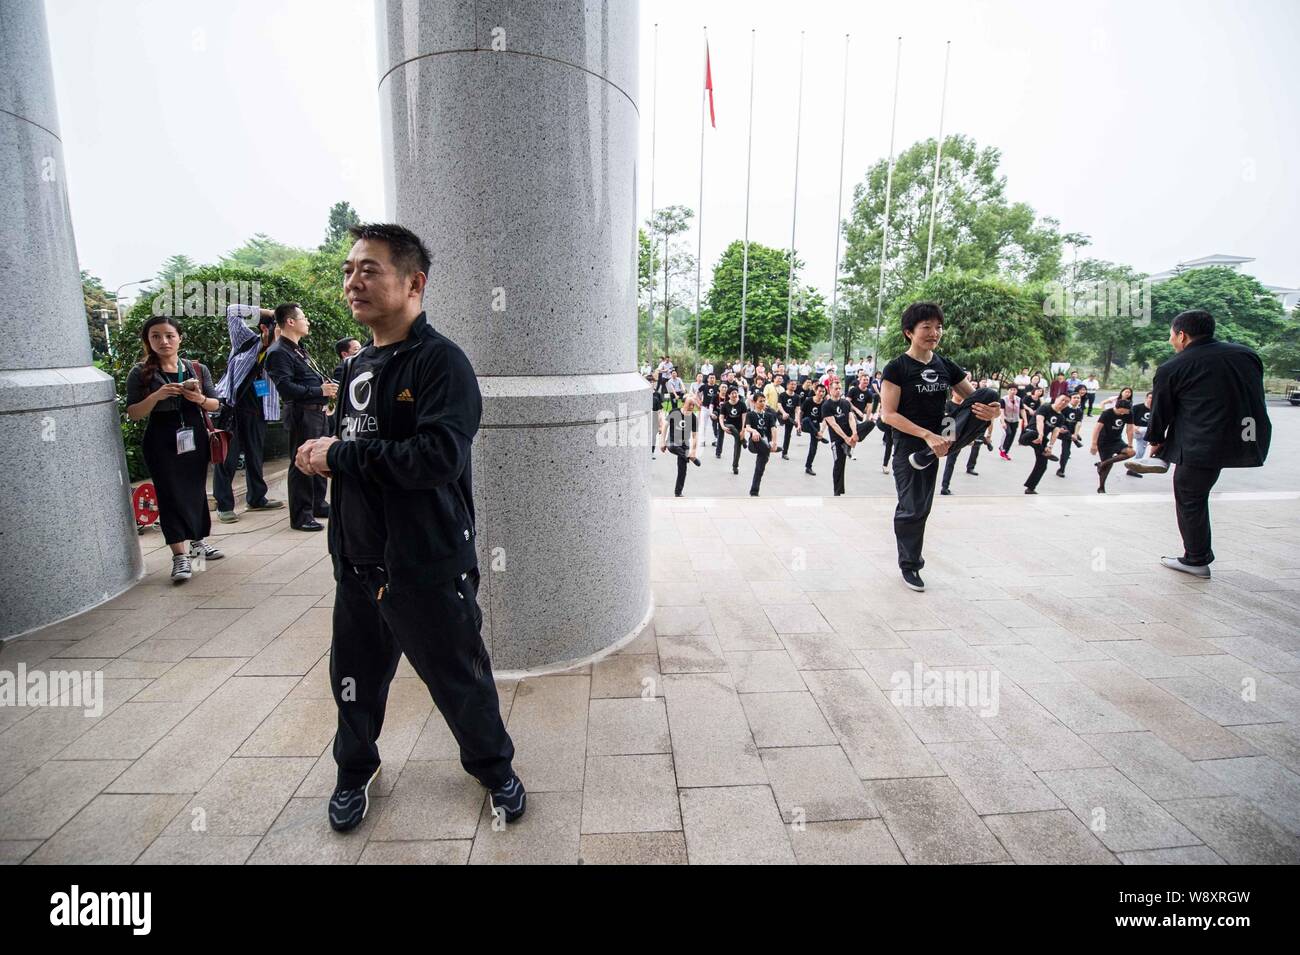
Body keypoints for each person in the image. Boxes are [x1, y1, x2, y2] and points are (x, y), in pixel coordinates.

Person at [294, 222, 523, 831]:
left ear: (414, 282)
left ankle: (494, 767)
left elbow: (437, 457)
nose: (352, 282)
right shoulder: (358, 365)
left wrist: (337, 456)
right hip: (359, 564)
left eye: (369, 269)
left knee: (461, 680)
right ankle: (354, 770)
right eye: (347, 270)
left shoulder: (442, 362)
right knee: (353, 682)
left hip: (426, 565)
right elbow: (359, 453)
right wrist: (327, 459)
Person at [1127, 309, 1271, 578]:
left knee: (1189, 493)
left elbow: (1161, 412)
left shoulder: (1173, 367)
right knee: (1196, 486)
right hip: (1248, 436)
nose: (1171, 341)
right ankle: (1196, 554)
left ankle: (1196, 559)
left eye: (1171, 335)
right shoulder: (1247, 355)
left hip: (1202, 443)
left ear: (1182, 335)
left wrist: (1156, 442)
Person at [879, 302, 1000, 591]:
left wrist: (992, 411)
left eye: (938, 327)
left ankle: (935, 450)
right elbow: (888, 415)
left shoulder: (944, 364)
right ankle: (910, 566)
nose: (934, 333)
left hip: (944, 434)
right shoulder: (897, 368)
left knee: (990, 392)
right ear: (909, 332)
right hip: (912, 445)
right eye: (927, 327)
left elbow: (973, 399)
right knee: (914, 509)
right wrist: (926, 437)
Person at [125, 316, 225, 582]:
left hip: (194, 436)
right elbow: (133, 413)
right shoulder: (141, 372)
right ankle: (179, 556)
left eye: (169, 335)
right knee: (169, 495)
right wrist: (157, 396)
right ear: (148, 340)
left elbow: (217, 404)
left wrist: (199, 398)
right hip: (161, 438)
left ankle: (198, 542)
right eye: (155, 336)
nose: (163, 341)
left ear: (179, 337)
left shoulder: (196, 368)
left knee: (195, 491)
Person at [266, 303, 337, 531]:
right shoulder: (278, 352)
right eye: (304, 317)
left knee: (318, 457)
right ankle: (301, 516)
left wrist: (326, 392)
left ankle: (318, 504)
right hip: (301, 414)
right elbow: (286, 388)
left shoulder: (298, 349)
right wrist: (320, 391)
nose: (307, 322)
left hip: (317, 412)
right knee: (303, 463)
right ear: (290, 321)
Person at [211, 304, 285, 523]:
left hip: (257, 412)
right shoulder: (245, 341)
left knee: (255, 456)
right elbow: (233, 310)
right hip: (232, 409)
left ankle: (257, 497)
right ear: (265, 329)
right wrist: (273, 313)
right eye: (279, 330)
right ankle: (224, 505)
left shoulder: (279, 353)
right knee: (228, 458)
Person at [1024, 394, 1068, 494]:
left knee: (1042, 465)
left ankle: (1030, 488)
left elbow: (1055, 432)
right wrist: (1040, 434)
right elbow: (1040, 421)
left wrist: (1050, 446)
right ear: (1056, 399)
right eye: (1062, 400)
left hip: (1042, 440)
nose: (1064, 403)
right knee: (1034, 435)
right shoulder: (1045, 407)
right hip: (1030, 433)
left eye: (1066, 401)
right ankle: (1042, 451)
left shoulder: (1061, 417)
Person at [660, 393, 702, 497]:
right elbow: (665, 426)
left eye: (693, 405)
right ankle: (689, 457)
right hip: (672, 441)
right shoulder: (674, 412)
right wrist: (662, 441)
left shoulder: (693, 418)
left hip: (684, 445)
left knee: (682, 471)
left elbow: (695, 436)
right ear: (684, 403)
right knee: (673, 446)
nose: (692, 407)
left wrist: (693, 451)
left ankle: (678, 492)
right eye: (690, 404)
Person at [1092, 398, 1135, 493]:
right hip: (1103, 441)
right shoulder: (1107, 413)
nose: (1128, 411)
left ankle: (1102, 463)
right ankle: (1101, 487)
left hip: (1117, 440)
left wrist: (1130, 445)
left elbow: (1129, 430)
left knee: (1131, 452)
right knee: (1108, 467)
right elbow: (1097, 429)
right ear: (1121, 408)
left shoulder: (1129, 414)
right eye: (1127, 409)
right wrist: (1094, 444)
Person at [742, 392, 778, 496]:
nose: (762, 403)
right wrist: (754, 431)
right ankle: (770, 449)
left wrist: (774, 442)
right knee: (757, 438)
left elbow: (774, 429)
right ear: (754, 402)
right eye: (760, 401)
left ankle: (754, 491)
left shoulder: (769, 415)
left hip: (765, 445)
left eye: (764, 400)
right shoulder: (750, 414)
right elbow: (747, 427)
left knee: (759, 469)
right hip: (754, 443)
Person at [797, 383, 830, 476]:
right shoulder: (808, 401)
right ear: (815, 391)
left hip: (815, 426)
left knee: (813, 448)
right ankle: (818, 435)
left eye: (823, 392)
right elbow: (801, 413)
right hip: (805, 424)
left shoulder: (824, 403)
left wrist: (821, 432)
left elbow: (825, 419)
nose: (821, 393)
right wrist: (799, 425)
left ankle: (808, 467)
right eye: (819, 391)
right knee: (807, 419)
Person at [1055, 392, 1085, 477]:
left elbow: (1078, 423)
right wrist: (1070, 434)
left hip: (1071, 433)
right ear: (1070, 399)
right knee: (1066, 451)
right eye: (1074, 397)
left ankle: (1061, 469)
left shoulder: (1079, 410)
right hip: (1062, 431)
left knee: (1066, 452)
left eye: (1078, 398)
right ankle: (1061, 469)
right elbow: (1060, 421)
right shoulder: (1064, 408)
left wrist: (1075, 434)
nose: (1076, 399)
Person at [718, 386, 748, 473]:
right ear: (729, 395)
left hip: (739, 428)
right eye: (732, 393)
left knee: (737, 446)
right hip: (728, 425)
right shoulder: (725, 405)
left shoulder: (742, 404)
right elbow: (721, 417)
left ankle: (735, 466)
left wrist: (743, 430)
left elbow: (744, 418)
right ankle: (743, 441)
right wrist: (723, 427)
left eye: (736, 393)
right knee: (731, 426)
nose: (735, 395)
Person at [1128, 391, 1154, 477]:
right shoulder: (1137, 407)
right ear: (1146, 398)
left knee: (1140, 452)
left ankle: (1131, 469)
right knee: (1146, 430)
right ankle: (1155, 440)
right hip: (1137, 431)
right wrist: (1134, 427)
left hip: (1146, 433)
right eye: (1150, 397)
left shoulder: (1156, 409)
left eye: (1153, 398)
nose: (1151, 400)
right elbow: (1129, 420)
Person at [776, 377, 799, 459]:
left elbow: (797, 409)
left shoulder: (797, 397)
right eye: (791, 384)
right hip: (780, 415)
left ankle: (784, 453)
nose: (793, 386)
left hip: (790, 416)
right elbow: (779, 405)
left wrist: (797, 418)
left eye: (795, 384)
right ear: (787, 385)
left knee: (788, 434)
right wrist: (783, 413)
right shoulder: (782, 395)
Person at [998, 384, 1021, 459]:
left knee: (1012, 436)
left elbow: (1022, 410)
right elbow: (1001, 411)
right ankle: (1002, 447)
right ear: (1008, 390)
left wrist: (1026, 421)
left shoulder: (1019, 399)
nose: (1013, 391)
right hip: (1006, 419)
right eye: (1011, 389)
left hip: (1015, 420)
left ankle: (1005, 452)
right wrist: (1003, 422)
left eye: (1014, 390)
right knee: (1008, 433)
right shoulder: (1003, 399)